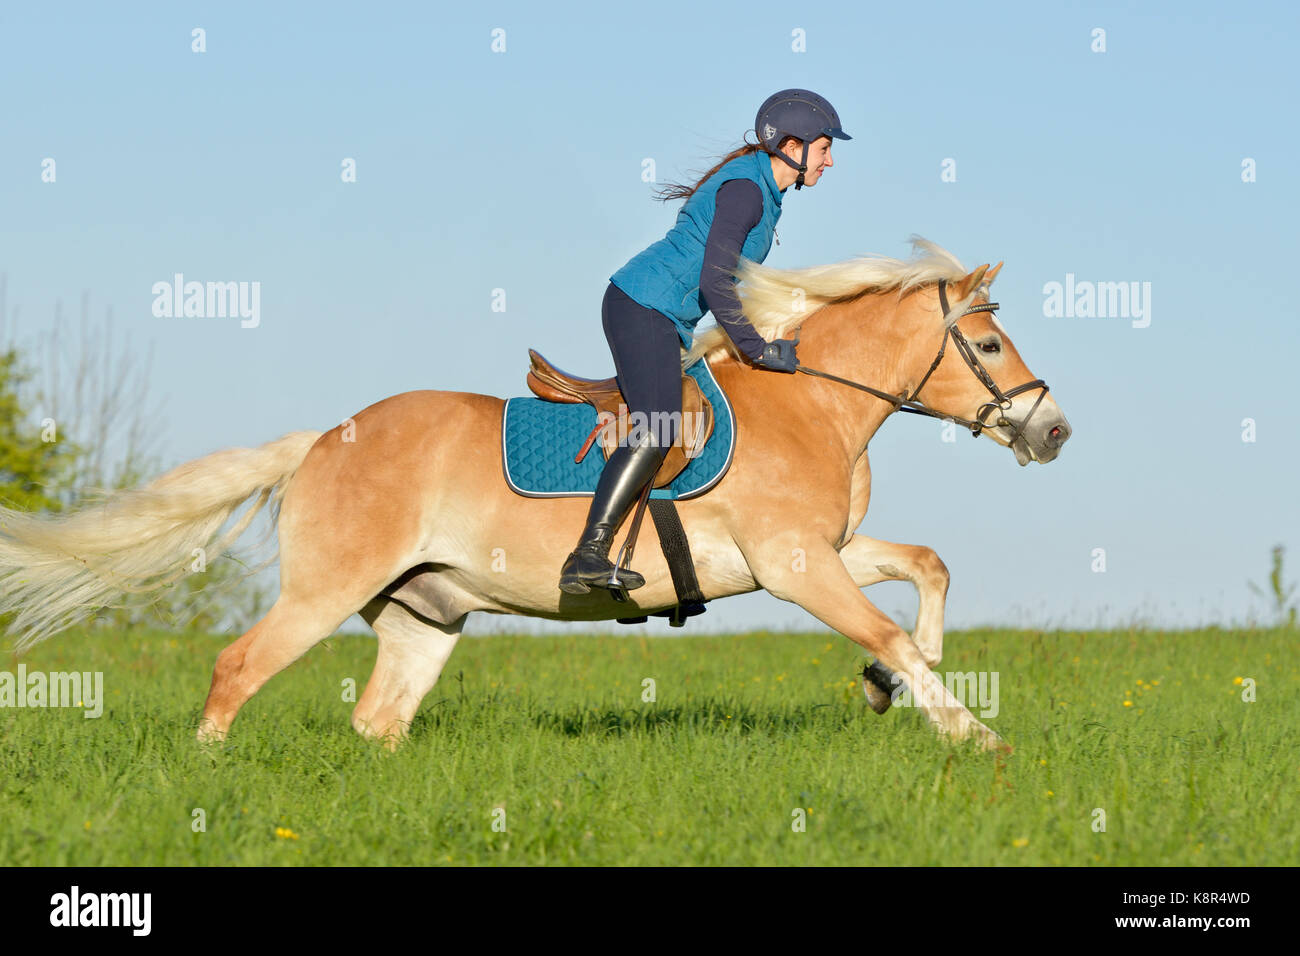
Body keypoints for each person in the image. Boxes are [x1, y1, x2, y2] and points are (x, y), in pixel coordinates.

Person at [558, 89, 852, 595]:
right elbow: (717, 284)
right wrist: (756, 350)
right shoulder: (747, 192)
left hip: (666, 318)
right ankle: (586, 555)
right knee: (658, 424)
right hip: (641, 305)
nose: (831, 161)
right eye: (825, 148)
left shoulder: (765, 191)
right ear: (791, 145)